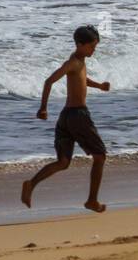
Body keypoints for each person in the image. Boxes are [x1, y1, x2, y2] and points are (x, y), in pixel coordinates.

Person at [21, 26, 111, 213]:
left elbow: (81, 79)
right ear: (80, 44)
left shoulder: (79, 61)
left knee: (63, 162)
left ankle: (31, 184)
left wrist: (99, 86)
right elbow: (49, 81)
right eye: (91, 46)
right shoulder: (73, 62)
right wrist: (43, 108)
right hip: (78, 116)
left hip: (66, 118)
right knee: (100, 156)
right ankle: (92, 201)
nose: (94, 50)